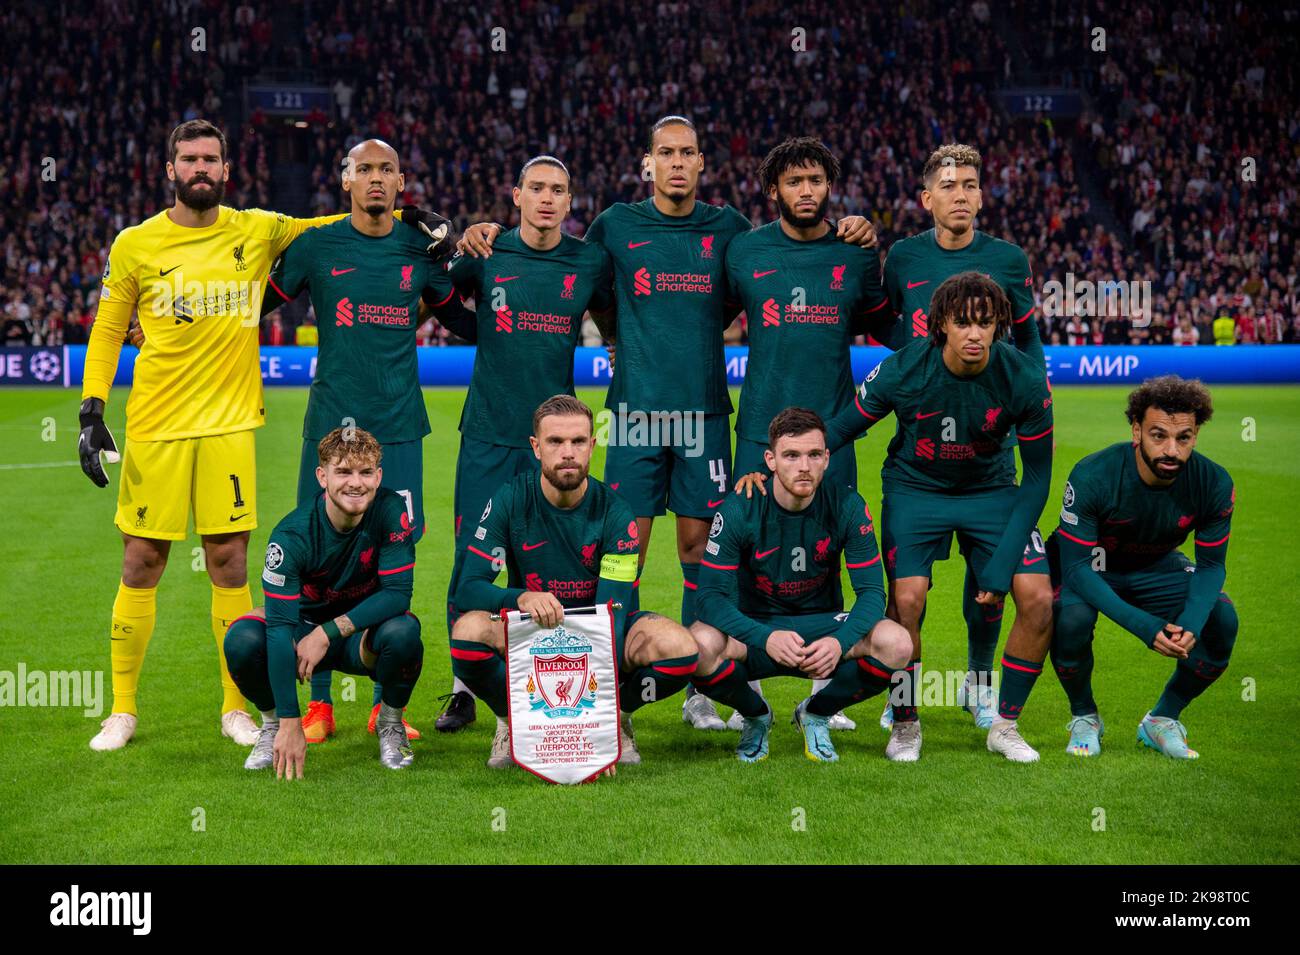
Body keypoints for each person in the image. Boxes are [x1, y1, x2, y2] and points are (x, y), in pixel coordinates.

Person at [455, 116, 879, 733]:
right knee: (623, 545)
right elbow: (597, 293)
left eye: (687, 153)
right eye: (664, 153)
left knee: (697, 546)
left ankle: (700, 687)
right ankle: (600, 681)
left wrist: (852, 230)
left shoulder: (729, 229)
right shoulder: (616, 226)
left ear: (702, 162)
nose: (676, 163)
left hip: (703, 415)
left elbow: (748, 295)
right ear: (647, 163)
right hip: (632, 416)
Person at [78, 119, 349, 752]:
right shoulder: (136, 244)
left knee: (229, 565)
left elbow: (326, 230)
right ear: (170, 170)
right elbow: (107, 328)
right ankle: (122, 710)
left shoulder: (256, 229)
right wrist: (92, 411)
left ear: (227, 169)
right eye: (190, 159)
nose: (201, 168)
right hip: (156, 426)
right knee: (142, 561)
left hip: (229, 427)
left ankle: (234, 706)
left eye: (211, 159)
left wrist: (405, 215)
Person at [262, 138, 465, 744]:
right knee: (319, 555)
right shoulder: (316, 247)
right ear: (344, 182)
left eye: (386, 170)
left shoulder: (419, 248)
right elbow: (251, 309)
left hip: (399, 426)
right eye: (363, 170)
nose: (375, 179)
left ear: (402, 182)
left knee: (393, 554)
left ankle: (385, 704)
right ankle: (317, 700)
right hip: (330, 428)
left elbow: (459, 316)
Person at [823, 272, 1056, 762]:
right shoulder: (903, 369)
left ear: (999, 326)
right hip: (915, 488)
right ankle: (906, 722)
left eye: (986, 323)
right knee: (906, 600)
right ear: (940, 325)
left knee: (1037, 598)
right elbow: (841, 428)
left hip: (992, 490)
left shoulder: (1026, 378)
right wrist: (779, 459)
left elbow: (1036, 480)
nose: (975, 334)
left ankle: (1005, 725)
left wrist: (1000, 564)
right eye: (963, 322)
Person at [861, 143, 1047, 733]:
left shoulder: (1009, 259)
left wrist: (1033, 388)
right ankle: (905, 704)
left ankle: (978, 683)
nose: (960, 193)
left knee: (987, 578)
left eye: (970, 184)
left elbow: (1026, 333)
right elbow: (886, 320)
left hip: (989, 442)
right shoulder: (904, 258)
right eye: (948, 185)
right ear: (926, 199)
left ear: (981, 196)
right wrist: (918, 369)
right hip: (923, 438)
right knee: (909, 593)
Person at [718, 136, 891, 731]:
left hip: (834, 434)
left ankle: (824, 684)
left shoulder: (855, 254)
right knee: (746, 554)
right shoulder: (743, 251)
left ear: (829, 186)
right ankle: (750, 692)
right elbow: (700, 317)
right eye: (794, 181)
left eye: (816, 179)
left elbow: (886, 321)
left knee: (832, 549)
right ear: (774, 191)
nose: (807, 191)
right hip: (757, 433)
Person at [437, 155, 614, 734]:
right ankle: (464, 688)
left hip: (556, 441)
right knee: (474, 554)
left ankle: (566, 672)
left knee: (553, 556)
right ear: (515, 195)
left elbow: (617, 317)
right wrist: (481, 320)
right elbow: (436, 292)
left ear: (569, 201)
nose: (546, 198)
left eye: (557, 190)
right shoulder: (487, 252)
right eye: (535, 188)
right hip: (489, 432)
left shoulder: (588, 261)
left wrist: (615, 346)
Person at [450, 395, 699, 768]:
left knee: (679, 648)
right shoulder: (510, 500)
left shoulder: (616, 514)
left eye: (578, 442)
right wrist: (520, 598)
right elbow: (468, 587)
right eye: (555, 442)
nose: (568, 452)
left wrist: (596, 722)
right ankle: (513, 721)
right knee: (468, 631)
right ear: (536, 447)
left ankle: (617, 717)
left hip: (599, 632)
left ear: (592, 446)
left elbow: (612, 616)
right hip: (530, 631)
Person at [690, 408, 912, 762]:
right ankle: (756, 715)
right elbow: (709, 600)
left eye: (813, 455)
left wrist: (840, 642)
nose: (803, 466)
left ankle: (817, 712)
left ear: (827, 458)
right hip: (757, 627)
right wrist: (764, 637)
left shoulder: (848, 505)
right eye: (791, 455)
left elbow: (872, 593)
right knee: (698, 646)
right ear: (771, 460)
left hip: (823, 624)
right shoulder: (739, 508)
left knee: (897, 642)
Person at [1048, 376, 1236, 759]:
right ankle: (1085, 716)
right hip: (1089, 566)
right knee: (1072, 621)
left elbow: (1212, 566)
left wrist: (1191, 623)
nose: (1171, 449)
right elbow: (1077, 569)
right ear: (1136, 431)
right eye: (1158, 435)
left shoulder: (1214, 482)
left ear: (1196, 435)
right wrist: (1147, 628)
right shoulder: (1093, 474)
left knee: (1222, 618)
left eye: (1183, 437)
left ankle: (1162, 719)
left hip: (1156, 563)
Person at [224, 427, 424, 777]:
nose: (355, 483)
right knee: (242, 637)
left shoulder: (391, 510)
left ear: (378, 476)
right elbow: (279, 628)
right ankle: (271, 727)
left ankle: (390, 724)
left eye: (365, 472)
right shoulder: (292, 535)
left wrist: (328, 633)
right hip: (300, 638)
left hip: (359, 637)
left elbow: (397, 594)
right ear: (322, 476)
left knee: (405, 631)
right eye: (343, 472)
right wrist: (289, 721)